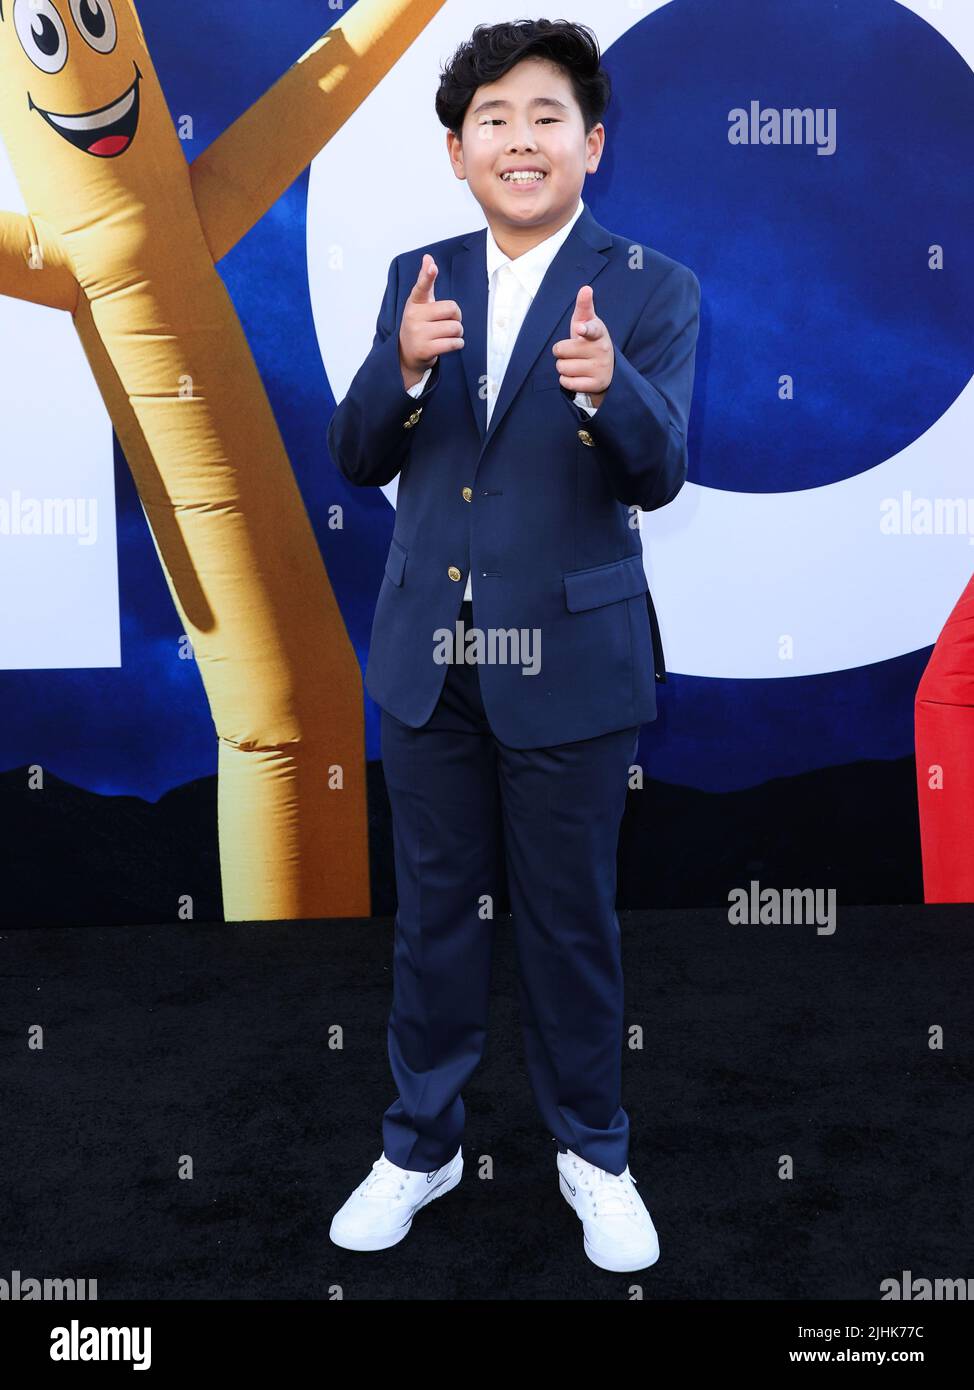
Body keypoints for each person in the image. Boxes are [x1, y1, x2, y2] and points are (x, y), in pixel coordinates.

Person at [327, 18, 700, 1273]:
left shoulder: (652, 287)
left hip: (577, 666)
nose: (519, 138)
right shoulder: (415, 278)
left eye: (546, 116)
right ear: (456, 151)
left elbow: (659, 476)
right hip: (427, 664)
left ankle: (593, 1154)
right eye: (492, 119)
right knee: (432, 918)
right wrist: (403, 368)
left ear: (589, 145)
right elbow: (356, 455)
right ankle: (417, 1146)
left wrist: (609, 392)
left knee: (569, 922)